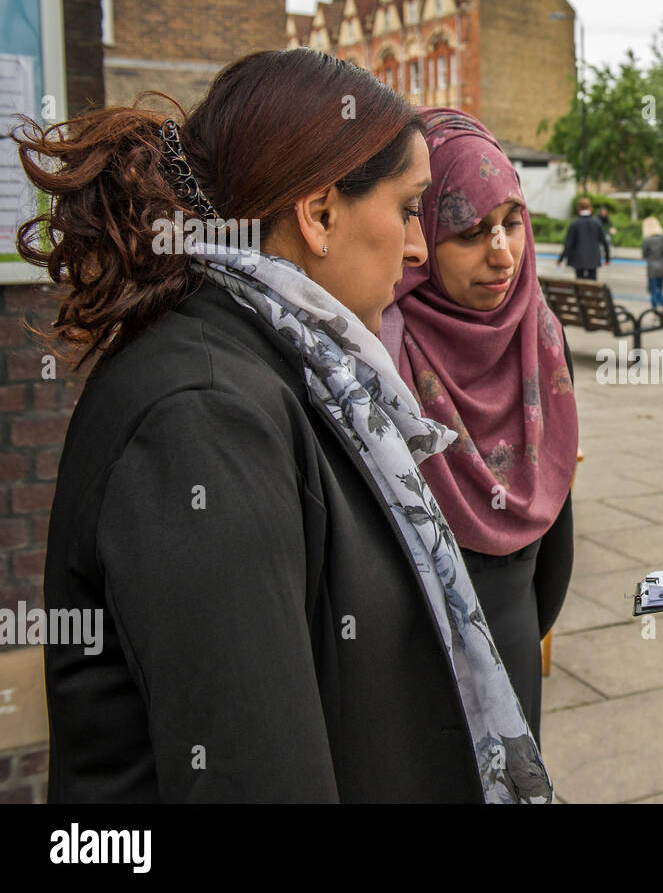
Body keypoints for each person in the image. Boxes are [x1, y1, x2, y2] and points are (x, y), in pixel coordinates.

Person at [18, 48, 550, 803]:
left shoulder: (278, 367)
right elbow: (250, 773)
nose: (416, 247)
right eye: (406, 209)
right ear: (320, 212)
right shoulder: (204, 417)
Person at [380, 108, 579, 743]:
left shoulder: (540, 335)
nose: (502, 255)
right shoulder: (381, 348)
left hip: (516, 636)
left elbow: (556, 524)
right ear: (422, 232)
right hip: (408, 659)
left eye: (511, 224)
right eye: (469, 232)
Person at [557, 196, 610, 280]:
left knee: (579, 283)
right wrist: (607, 258)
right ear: (591, 208)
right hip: (593, 258)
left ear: (578, 208)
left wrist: (560, 259)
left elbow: (568, 244)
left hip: (578, 259)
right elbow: (605, 242)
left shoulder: (574, 223)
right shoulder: (597, 223)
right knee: (592, 283)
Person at [640, 215, 663, 316]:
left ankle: (655, 311)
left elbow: (644, 255)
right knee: (660, 288)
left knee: (653, 290)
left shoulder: (646, 240)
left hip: (652, 268)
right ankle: (662, 307)